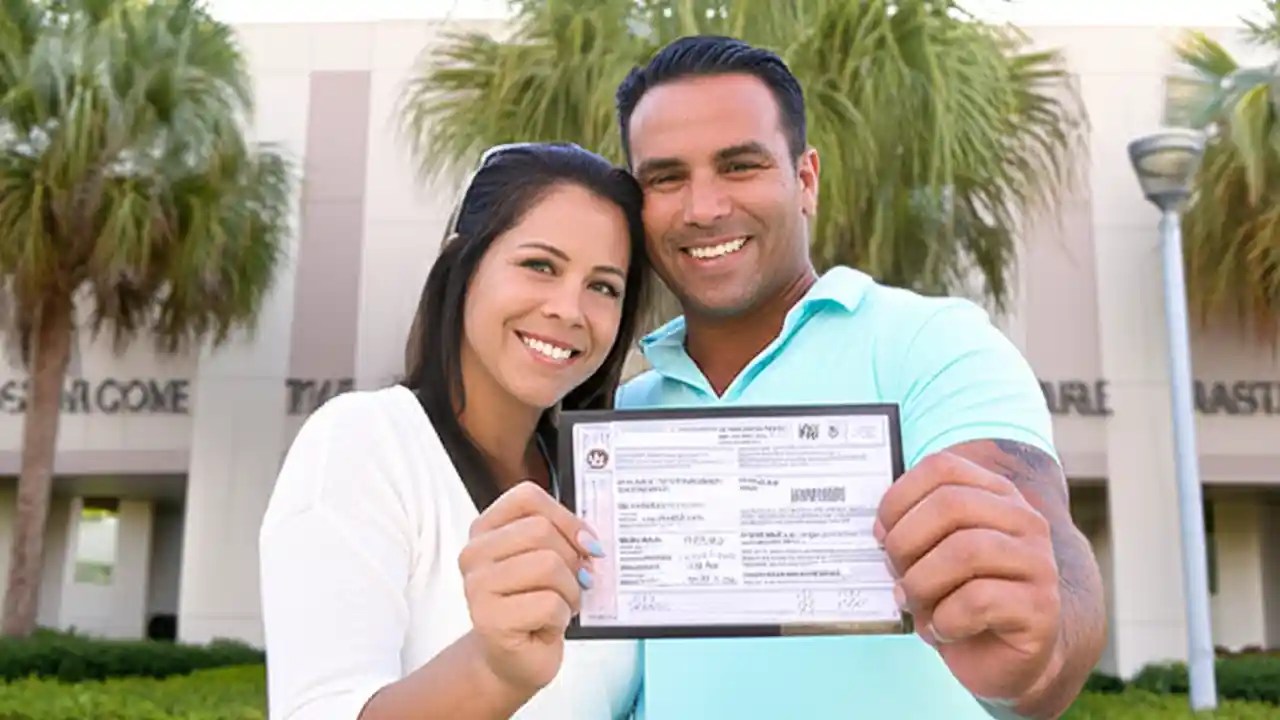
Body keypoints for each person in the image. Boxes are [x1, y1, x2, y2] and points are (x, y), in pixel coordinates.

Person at [611, 36, 1108, 719]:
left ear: (806, 180)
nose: (702, 207)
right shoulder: (622, 409)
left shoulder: (931, 343)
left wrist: (1040, 653)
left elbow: (1046, 543)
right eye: (666, 178)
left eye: (740, 166)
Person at [258, 142, 652, 720]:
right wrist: (493, 669)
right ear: (461, 265)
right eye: (540, 265)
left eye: (603, 287)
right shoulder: (365, 443)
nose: (570, 309)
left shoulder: (599, 484)